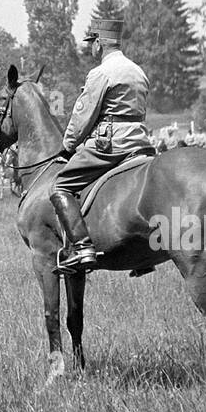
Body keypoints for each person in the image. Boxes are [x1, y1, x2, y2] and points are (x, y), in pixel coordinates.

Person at [53, 14, 155, 273]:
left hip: (111, 144)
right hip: (140, 142)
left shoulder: (101, 72)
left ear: (100, 42)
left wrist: (68, 144)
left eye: (91, 42)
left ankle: (82, 247)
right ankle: (143, 256)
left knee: (60, 187)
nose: (90, 47)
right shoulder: (137, 70)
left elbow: (83, 115)